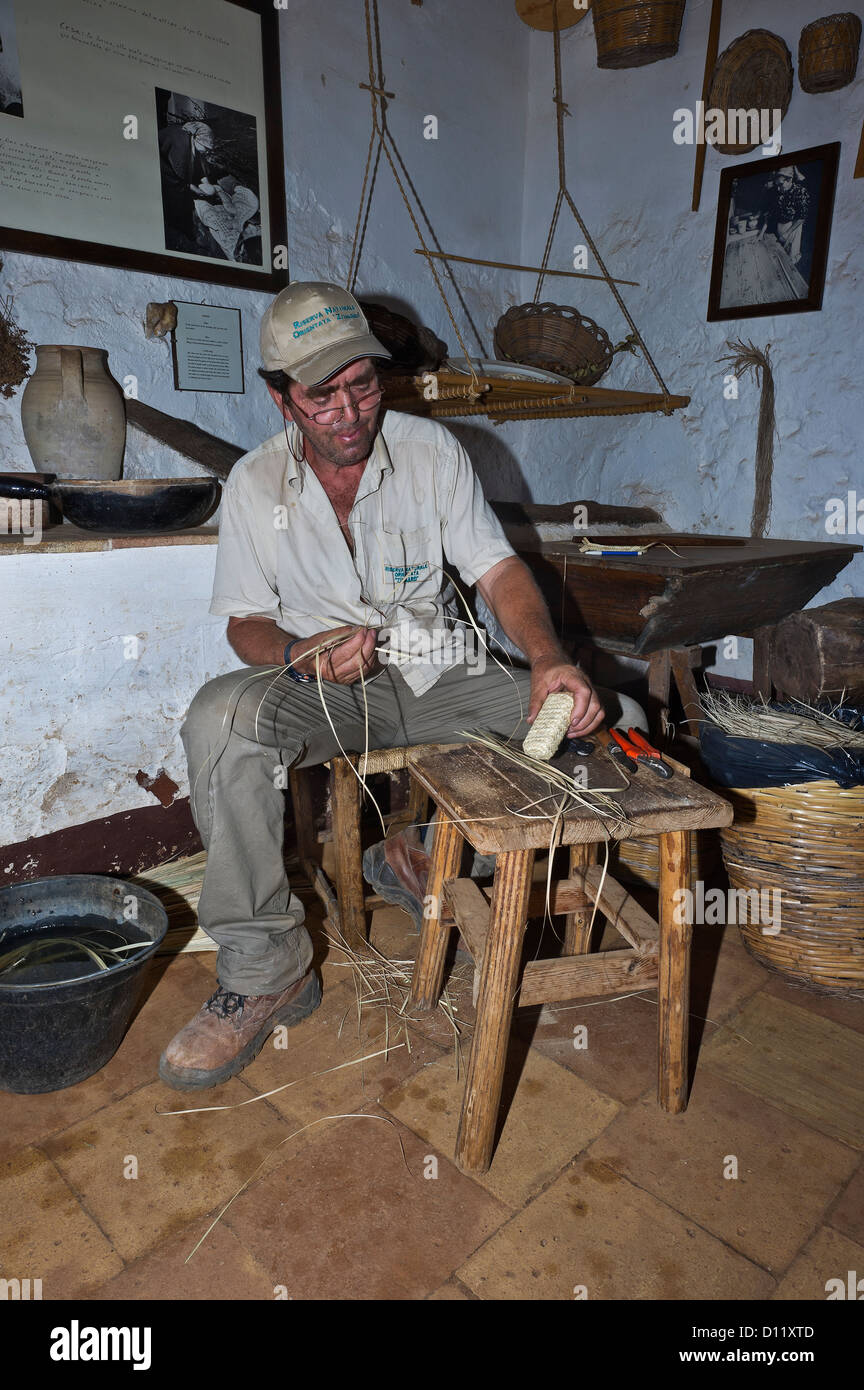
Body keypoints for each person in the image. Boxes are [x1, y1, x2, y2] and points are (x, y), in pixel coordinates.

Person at [159, 281, 647, 1091]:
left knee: (607, 718)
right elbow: (243, 625)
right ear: (283, 401)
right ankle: (266, 969)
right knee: (218, 720)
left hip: (437, 670)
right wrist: (298, 649)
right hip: (325, 688)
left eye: (364, 385)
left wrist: (550, 658)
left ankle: (425, 859)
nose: (351, 412)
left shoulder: (430, 452)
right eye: (324, 396)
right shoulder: (252, 484)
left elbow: (497, 569)